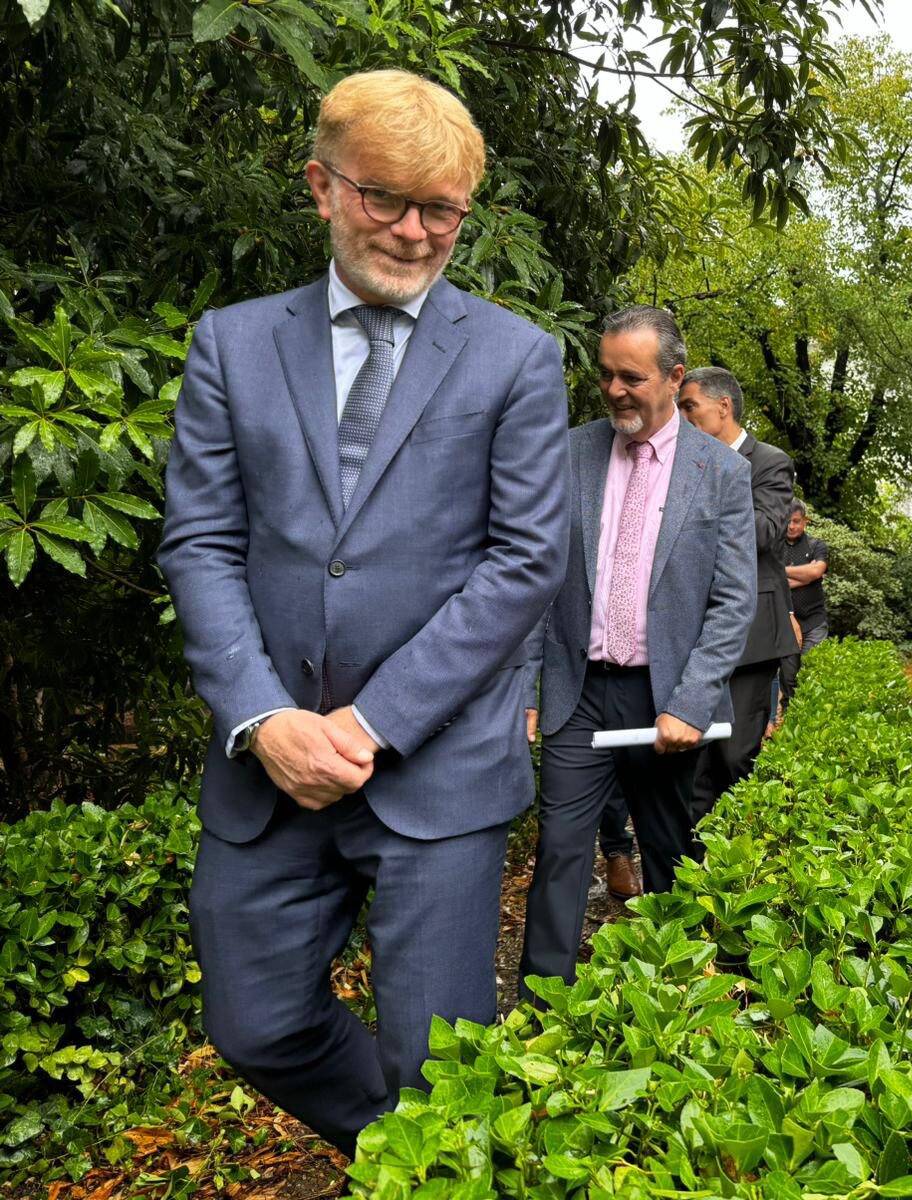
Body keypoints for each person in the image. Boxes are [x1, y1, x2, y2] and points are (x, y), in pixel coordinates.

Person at [157, 70, 571, 1157]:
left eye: (441, 210)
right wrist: (260, 714)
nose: (413, 230)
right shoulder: (231, 345)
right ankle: (416, 1159)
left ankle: (437, 1165)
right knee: (256, 1023)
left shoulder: (518, 358)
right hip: (266, 767)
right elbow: (201, 544)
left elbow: (524, 561)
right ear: (322, 188)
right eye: (386, 198)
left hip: (435, 768)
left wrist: (368, 723)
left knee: (441, 1056)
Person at [520, 306, 755, 986]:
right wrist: (528, 687)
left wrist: (692, 700)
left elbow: (733, 600)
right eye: (605, 376)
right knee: (560, 855)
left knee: (669, 851)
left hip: (664, 700)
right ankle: (542, 1015)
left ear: (674, 375)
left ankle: (678, 1001)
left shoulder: (718, 473)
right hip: (576, 692)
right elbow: (535, 580)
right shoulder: (570, 453)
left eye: (632, 376)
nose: (615, 390)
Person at [677, 366, 797, 820]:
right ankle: (691, 866)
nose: (682, 417)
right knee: (692, 758)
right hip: (689, 630)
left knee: (733, 756)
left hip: (751, 636)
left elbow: (765, 532)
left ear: (723, 406)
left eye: (690, 406)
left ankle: (735, 858)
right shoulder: (678, 463)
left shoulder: (768, 461)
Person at [777, 502, 829, 713]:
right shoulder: (774, 547)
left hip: (815, 622)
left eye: (796, 521)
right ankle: (790, 722)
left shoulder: (816, 545)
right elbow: (772, 578)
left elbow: (816, 572)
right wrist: (805, 576)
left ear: (805, 522)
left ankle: (812, 723)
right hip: (786, 622)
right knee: (788, 678)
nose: (791, 526)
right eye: (788, 521)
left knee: (811, 674)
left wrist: (783, 572)